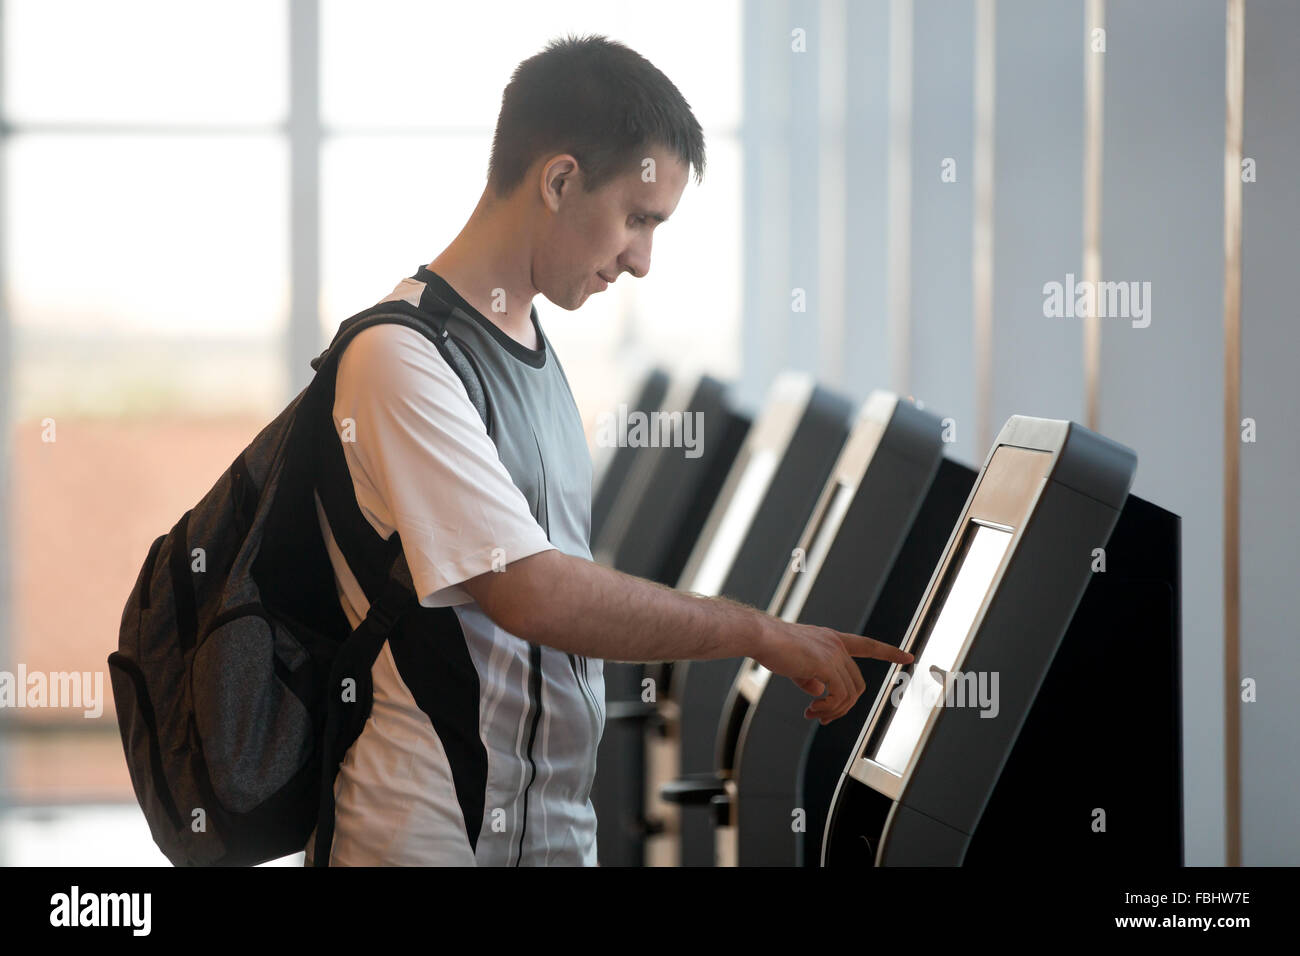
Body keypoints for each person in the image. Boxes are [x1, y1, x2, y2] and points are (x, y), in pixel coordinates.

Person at [304, 33, 912, 867]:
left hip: (550, 833)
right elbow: (534, 595)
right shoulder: (401, 356)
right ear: (559, 180)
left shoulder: (534, 351)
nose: (641, 260)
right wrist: (756, 632)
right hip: (426, 839)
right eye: (635, 218)